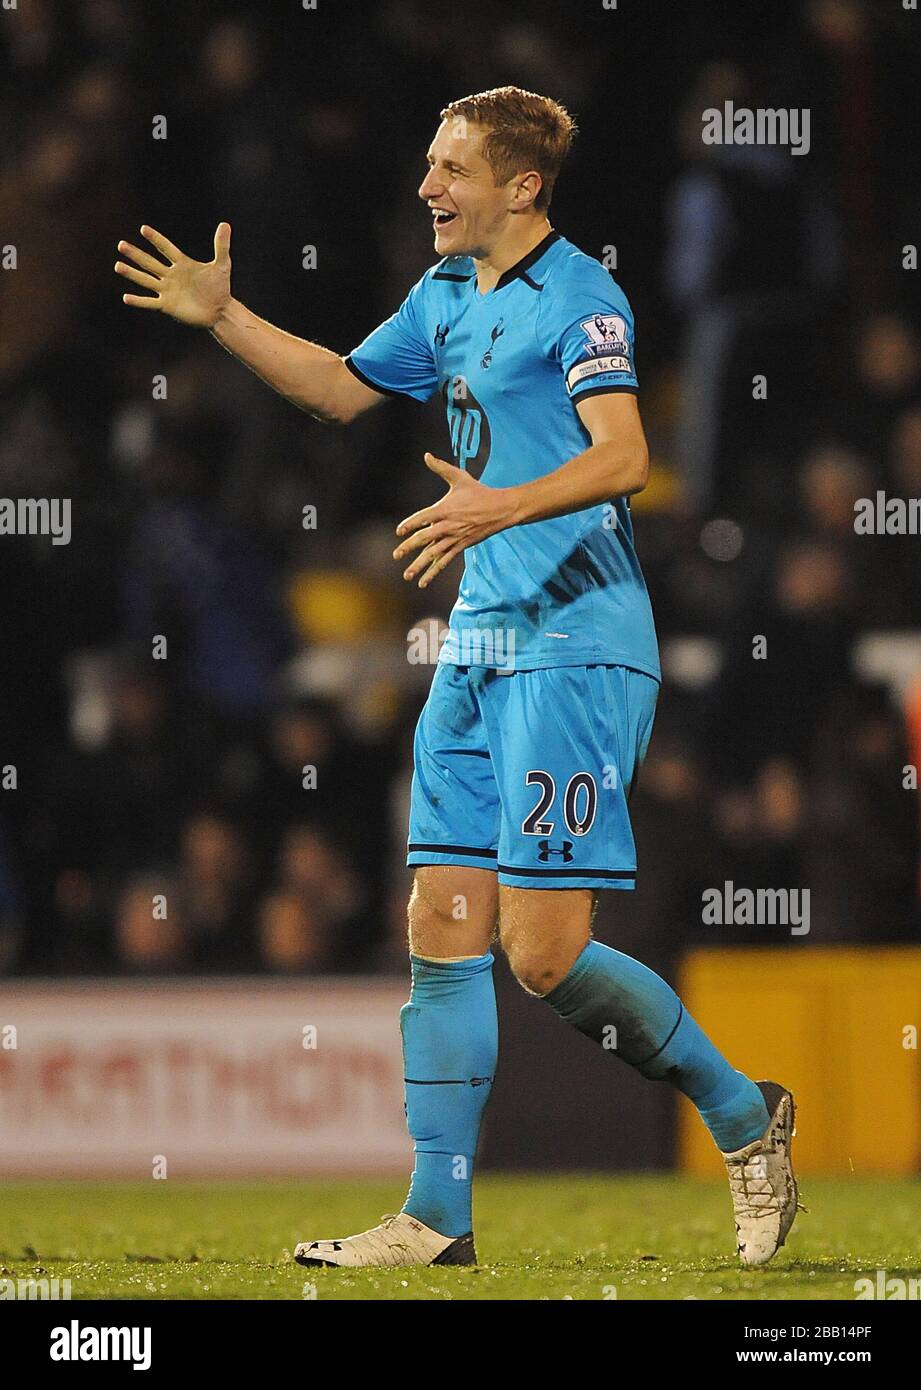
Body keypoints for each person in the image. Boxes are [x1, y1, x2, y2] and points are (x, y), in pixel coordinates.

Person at [115, 84, 798, 1269]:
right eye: (430, 163)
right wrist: (224, 318)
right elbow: (337, 388)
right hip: (479, 643)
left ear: (522, 187)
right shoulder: (443, 294)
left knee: (541, 957)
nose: (428, 187)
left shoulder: (584, 297)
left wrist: (498, 506)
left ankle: (746, 1119)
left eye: (453, 169)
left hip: (578, 639)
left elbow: (626, 452)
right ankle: (437, 1216)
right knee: (438, 922)